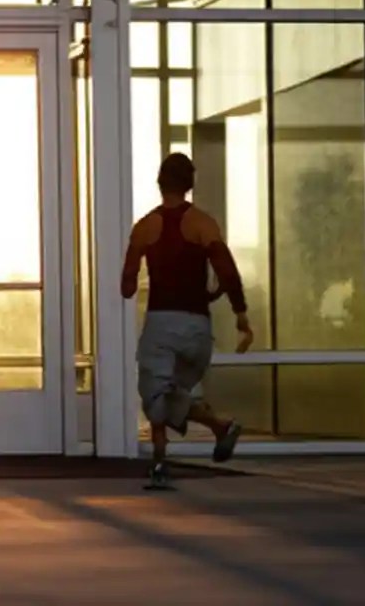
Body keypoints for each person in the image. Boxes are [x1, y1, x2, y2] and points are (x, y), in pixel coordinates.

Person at [120, 153, 253, 490]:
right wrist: (241, 315)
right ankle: (220, 427)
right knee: (175, 392)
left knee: (155, 393)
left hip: (162, 323)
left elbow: (127, 285)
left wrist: (138, 274)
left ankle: (161, 464)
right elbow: (227, 270)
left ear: (159, 182)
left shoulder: (145, 227)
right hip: (197, 328)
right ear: (189, 184)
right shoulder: (203, 224)